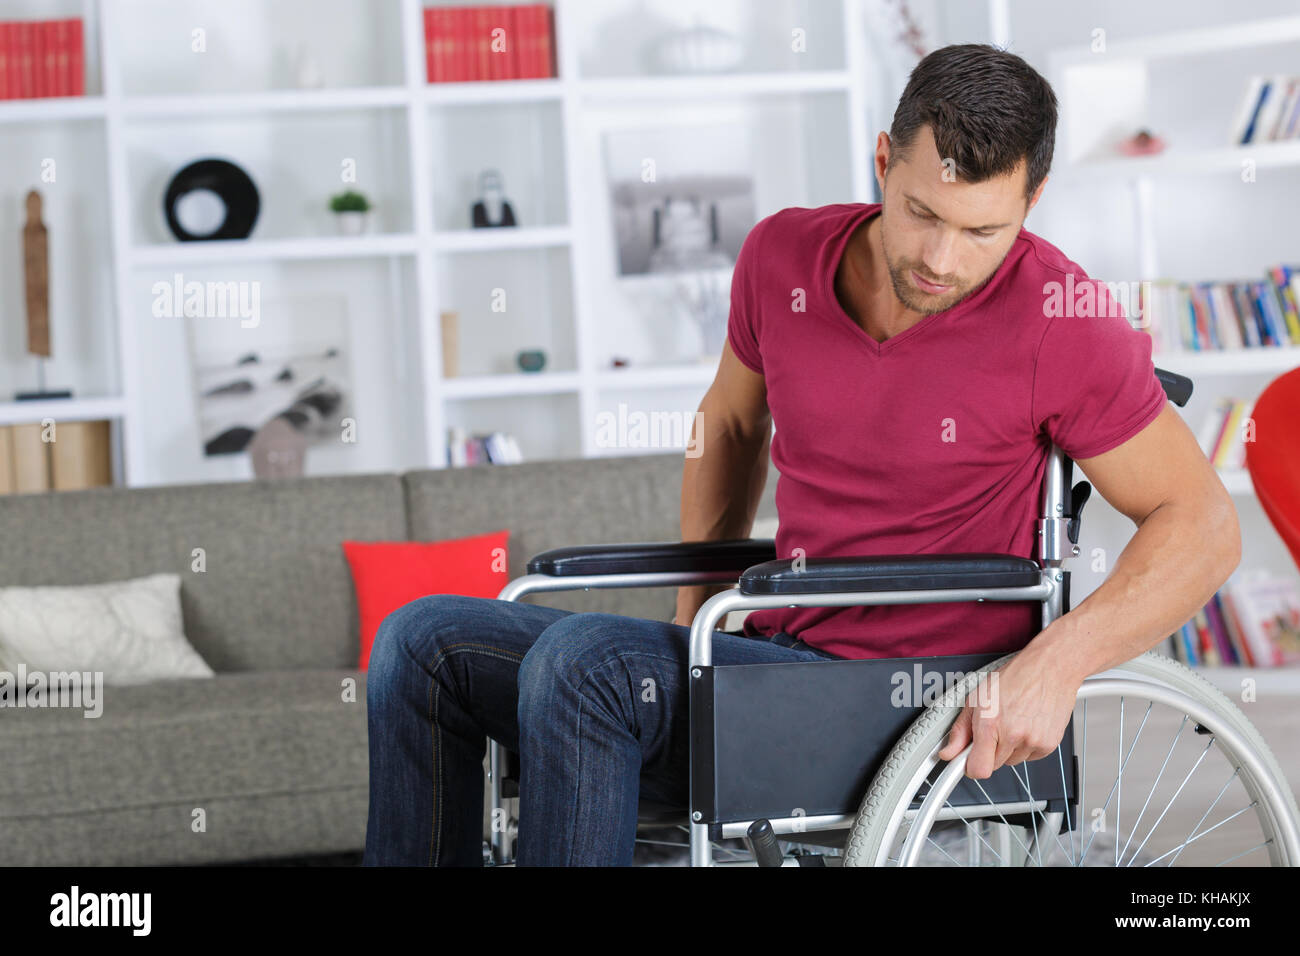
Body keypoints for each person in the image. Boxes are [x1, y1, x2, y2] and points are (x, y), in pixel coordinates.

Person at [363, 43, 1239, 866]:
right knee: (419, 643)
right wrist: (693, 612)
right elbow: (733, 428)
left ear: (1030, 202)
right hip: (777, 667)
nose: (940, 259)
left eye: (981, 232)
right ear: (883, 160)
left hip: (911, 701)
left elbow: (1201, 527)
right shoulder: (779, 254)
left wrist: (1058, 661)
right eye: (922, 214)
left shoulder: (1062, 318)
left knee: (583, 664)